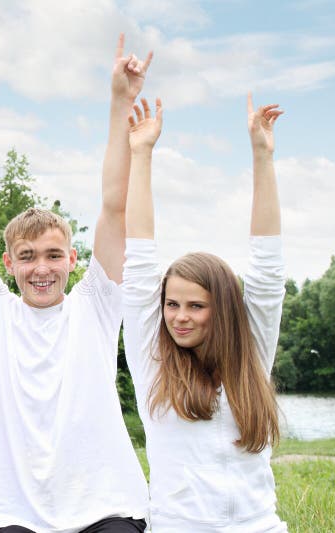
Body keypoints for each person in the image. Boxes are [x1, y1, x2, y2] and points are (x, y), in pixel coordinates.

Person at [0, 35, 151, 533]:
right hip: (17, 513)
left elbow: (115, 206)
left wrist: (121, 103)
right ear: (8, 263)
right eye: (27, 257)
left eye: (53, 255)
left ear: (74, 259)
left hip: (107, 504)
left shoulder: (95, 303)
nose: (41, 268)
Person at [122, 94, 287, 532]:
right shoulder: (153, 362)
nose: (180, 317)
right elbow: (138, 266)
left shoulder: (250, 354)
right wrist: (140, 155)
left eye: (196, 306)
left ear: (224, 310)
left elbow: (268, 272)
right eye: (172, 305)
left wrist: (261, 156)